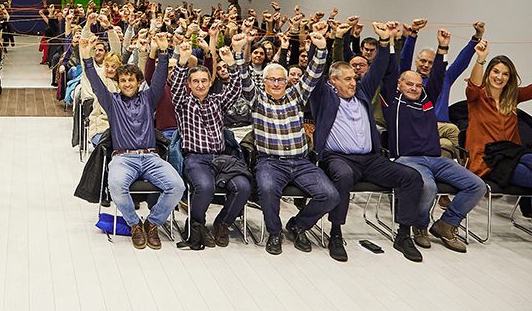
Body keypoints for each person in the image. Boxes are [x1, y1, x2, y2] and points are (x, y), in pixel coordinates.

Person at [310, 22, 426, 263]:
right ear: (333, 81)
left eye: (354, 78)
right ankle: (336, 233)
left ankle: (403, 234)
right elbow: (315, 73)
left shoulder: (362, 92)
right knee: (341, 176)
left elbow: (380, 68)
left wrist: (385, 42)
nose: (353, 82)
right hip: (338, 158)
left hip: (371, 160)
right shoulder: (324, 96)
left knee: (412, 177)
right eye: (347, 79)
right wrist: (319, 45)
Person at [241, 24, 339, 256]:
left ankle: (298, 225)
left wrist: (321, 47)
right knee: (266, 190)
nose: (276, 84)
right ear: (264, 82)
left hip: (301, 161)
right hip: (269, 161)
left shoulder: (296, 95)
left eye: (281, 80)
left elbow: (314, 73)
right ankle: (274, 232)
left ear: (287, 82)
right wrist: (239, 51)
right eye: (272, 80)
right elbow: (244, 78)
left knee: (331, 195)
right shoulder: (257, 99)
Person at [84, 31, 182, 250]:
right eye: (123, 80)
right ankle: (134, 224)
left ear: (139, 82)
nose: (127, 83)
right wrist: (86, 58)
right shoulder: (111, 101)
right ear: (118, 83)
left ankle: (153, 223)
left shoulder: (149, 98)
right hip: (123, 158)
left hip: (150, 156)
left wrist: (163, 52)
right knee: (116, 185)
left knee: (177, 186)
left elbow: (159, 78)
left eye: (131, 80)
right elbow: (94, 80)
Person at [381, 50, 485, 253]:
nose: (414, 88)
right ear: (398, 85)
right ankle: (420, 225)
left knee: (477, 185)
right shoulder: (393, 102)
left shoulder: (427, 102)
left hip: (436, 159)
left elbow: (439, 77)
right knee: (428, 187)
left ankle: (446, 224)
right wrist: (391, 44)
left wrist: (442, 49)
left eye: (418, 85)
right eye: (409, 84)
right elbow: (390, 72)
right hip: (408, 159)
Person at [168, 32, 250, 250]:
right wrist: (183, 61)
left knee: (243, 187)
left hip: (222, 158)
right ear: (190, 84)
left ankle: (222, 224)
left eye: (204, 81)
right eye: (195, 81)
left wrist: (232, 65)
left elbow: (235, 89)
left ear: (209, 82)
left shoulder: (217, 100)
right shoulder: (182, 102)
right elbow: (175, 85)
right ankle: (196, 225)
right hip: (195, 159)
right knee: (205, 187)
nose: (201, 85)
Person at [465, 42, 532, 186]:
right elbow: (474, 85)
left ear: (509, 78)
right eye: (496, 71)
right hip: (487, 161)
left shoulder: (513, 96)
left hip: (513, 154)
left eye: (505, 74)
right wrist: (481, 59)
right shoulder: (477, 96)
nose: (499, 77)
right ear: (488, 73)